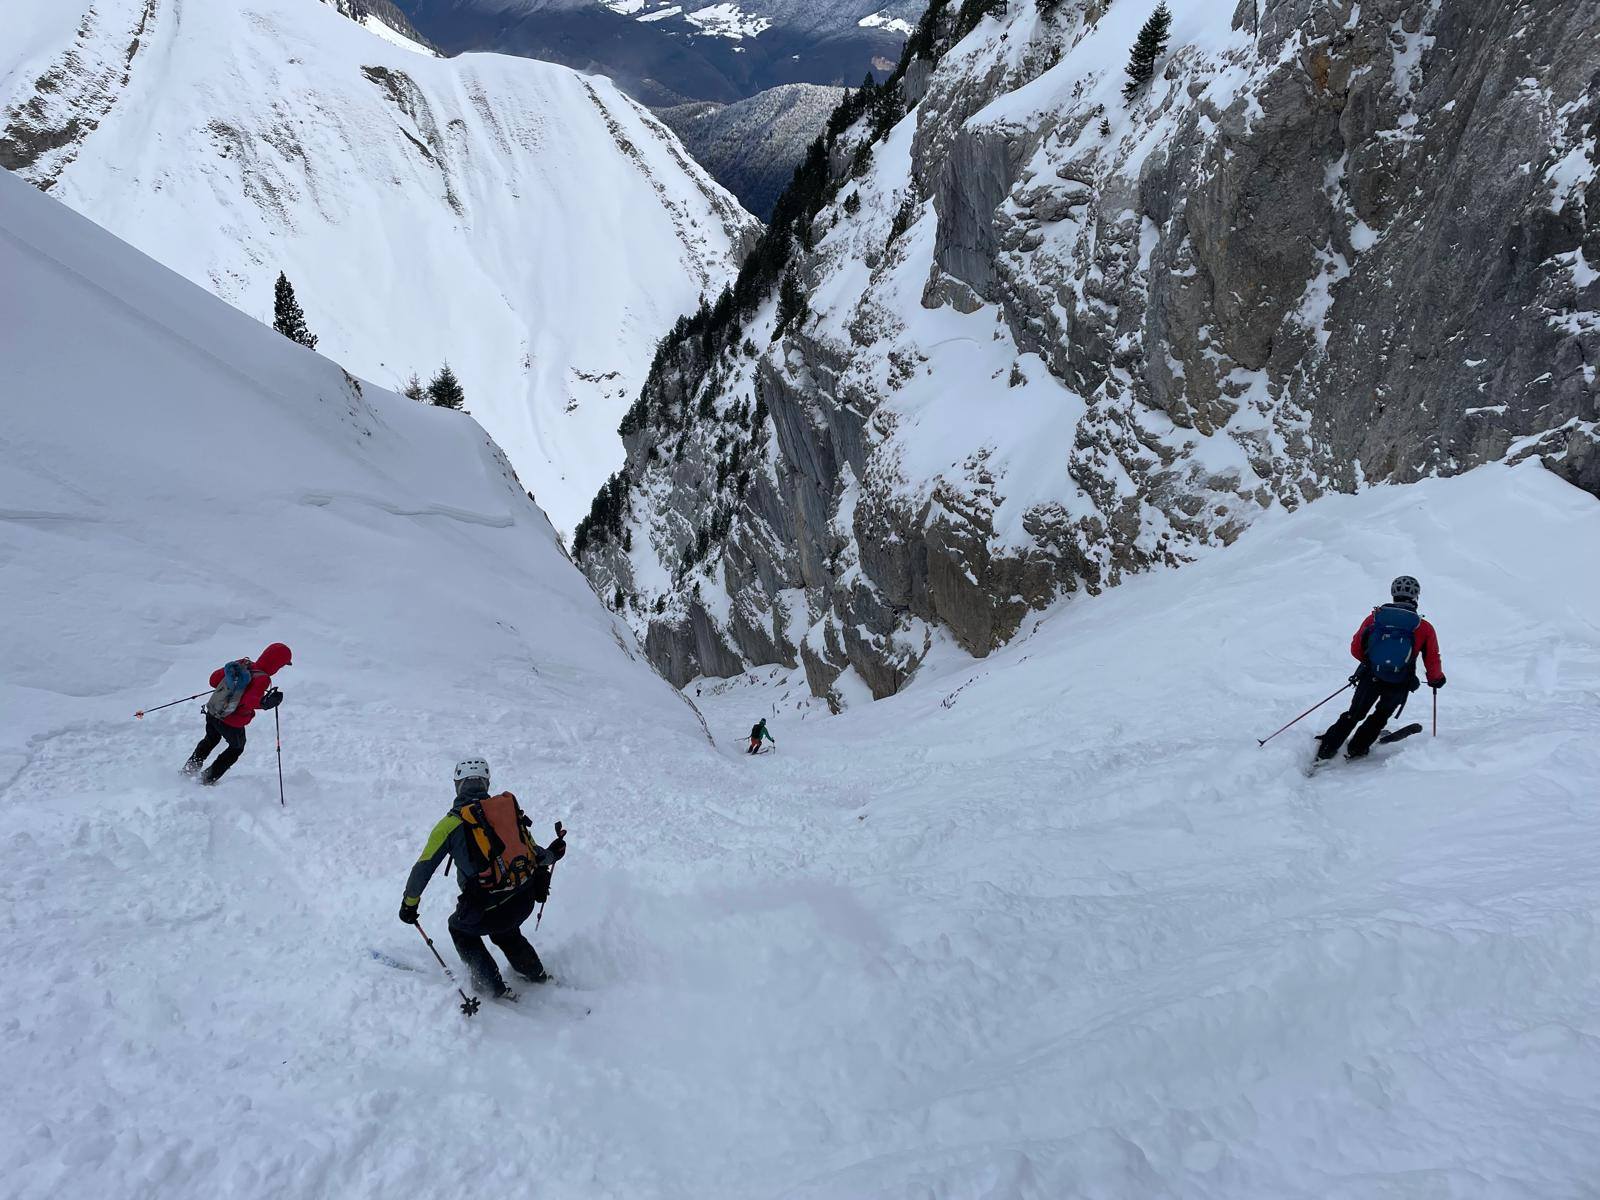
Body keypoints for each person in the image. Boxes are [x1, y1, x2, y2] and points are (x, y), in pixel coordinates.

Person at [398, 758, 566, 1000]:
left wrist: (409, 904)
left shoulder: (449, 825)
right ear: (486, 782)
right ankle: (537, 974)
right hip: (522, 899)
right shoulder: (505, 811)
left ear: (457, 784)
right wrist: (553, 852)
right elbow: (535, 854)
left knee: (459, 928)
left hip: (486, 908)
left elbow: (423, 868)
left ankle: (493, 988)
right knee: (506, 931)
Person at [1316, 575, 1445, 761]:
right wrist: (1436, 679)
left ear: (1393, 594)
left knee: (1355, 713)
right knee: (1381, 714)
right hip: (1400, 681)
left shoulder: (1375, 618)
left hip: (1371, 676)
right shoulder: (1423, 627)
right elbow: (1432, 659)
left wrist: (1371, 663)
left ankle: (1327, 748)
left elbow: (1356, 648)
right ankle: (1357, 748)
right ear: (1416, 596)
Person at [183, 642, 292, 784]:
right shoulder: (263, 678)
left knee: (210, 740)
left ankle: (189, 770)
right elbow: (249, 700)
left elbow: (213, 680)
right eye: (282, 665)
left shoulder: (243, 664)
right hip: (231, 722)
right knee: (236, 748)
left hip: (213, 711)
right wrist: (266, 702)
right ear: (276, 664)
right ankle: (207, 778)